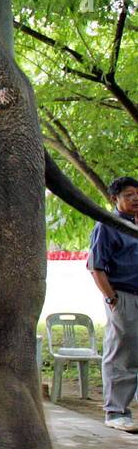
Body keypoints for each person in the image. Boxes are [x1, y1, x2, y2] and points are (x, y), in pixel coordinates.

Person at [87, 175, 138, 433]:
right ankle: (116, 412)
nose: (135, 199)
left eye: (137, 194)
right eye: (129, 195)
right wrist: (111, 298)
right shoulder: (107, 225)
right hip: (123, 296)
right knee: (121, 353)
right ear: (114, 199)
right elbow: (95, 267)